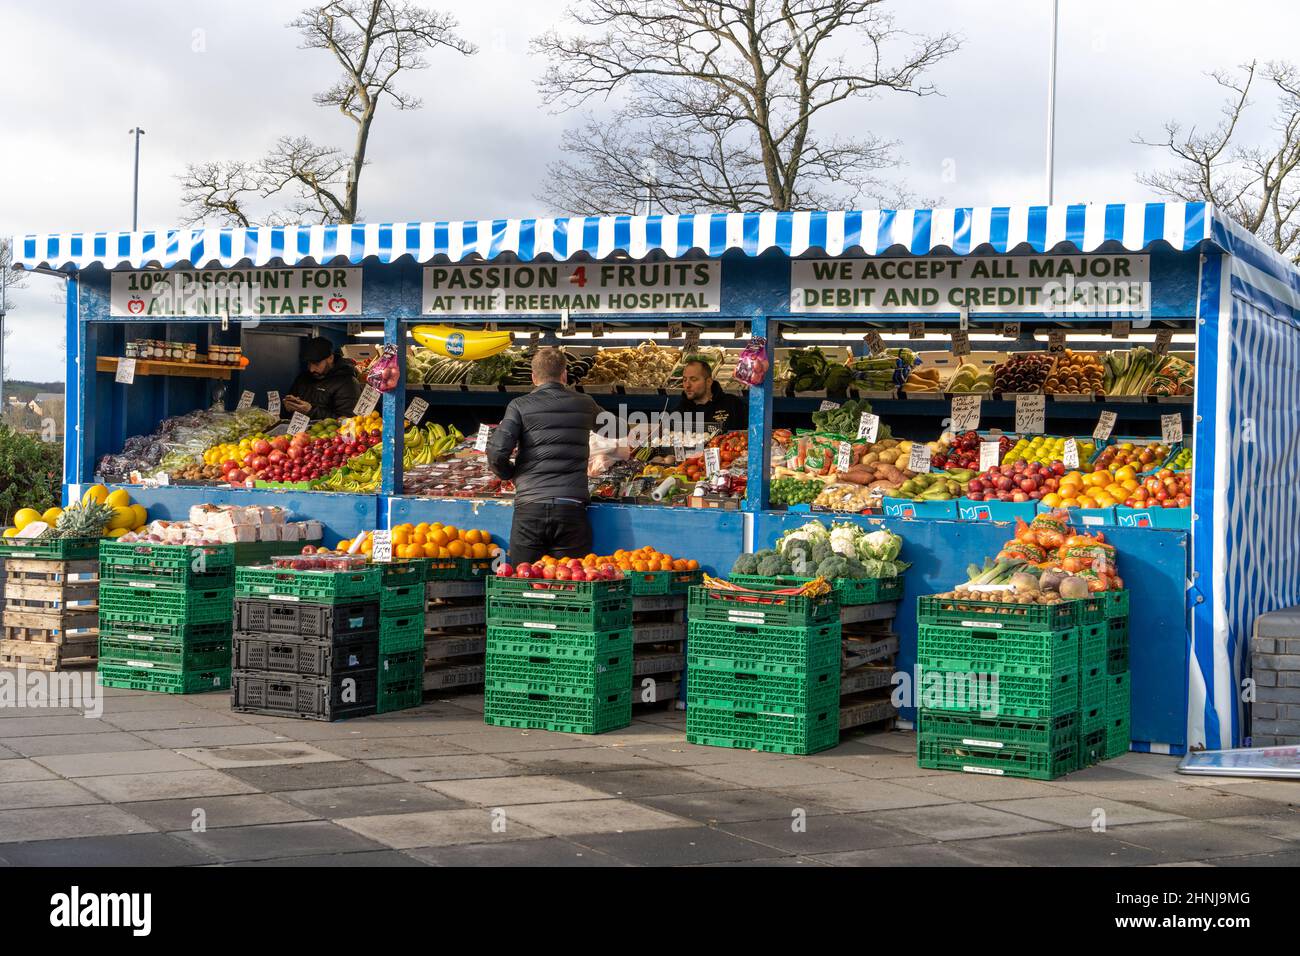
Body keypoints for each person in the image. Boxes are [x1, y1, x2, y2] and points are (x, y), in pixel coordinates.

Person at [486, 348, 602, 564]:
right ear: (565, 375)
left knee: (523, 579)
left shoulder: (519, 406)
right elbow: (617, 429)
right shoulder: (584, 403)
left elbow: (496, 452)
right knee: (572, 584)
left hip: (530, 508)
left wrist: (510, 473)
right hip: (571, 509)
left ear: (533, 377)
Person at [284, 338, 362, 420]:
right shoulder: (303, 378)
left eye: (316, 364)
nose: (311, 369)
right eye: (309, 363)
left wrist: (310, 411)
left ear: (330, 358)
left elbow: (347, 421)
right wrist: (290, 407)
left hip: (329, 432)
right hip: (297, 431)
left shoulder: (348, 383)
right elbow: (288, 414)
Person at [673, 358, 748, 433]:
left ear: (709, 382)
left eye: (693, 379)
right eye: (684, 380)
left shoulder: (733, 404)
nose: (687, 385)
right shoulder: (679, 411)